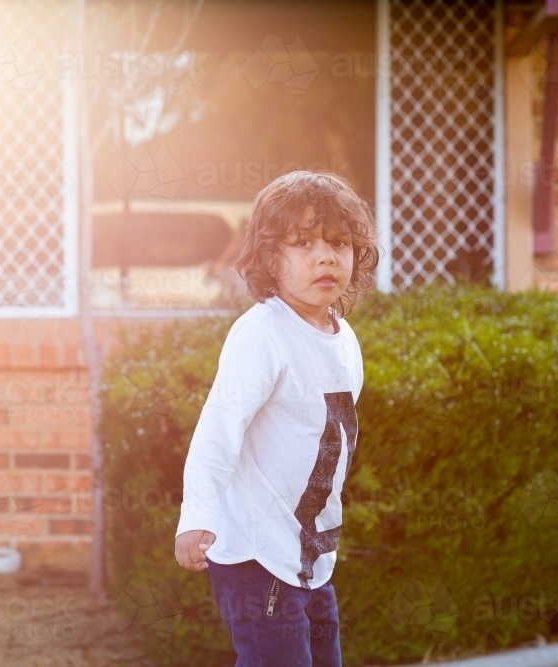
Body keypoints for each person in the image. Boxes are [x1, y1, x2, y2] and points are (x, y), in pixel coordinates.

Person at [173, 171, 380, 667]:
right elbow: (218, 430)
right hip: (256, 556)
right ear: (269, 257)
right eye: (303, 243)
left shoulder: (342, 337)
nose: (326, 256)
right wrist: (197, 514)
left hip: (307, 555)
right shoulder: (262, 334)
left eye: (340, 243)